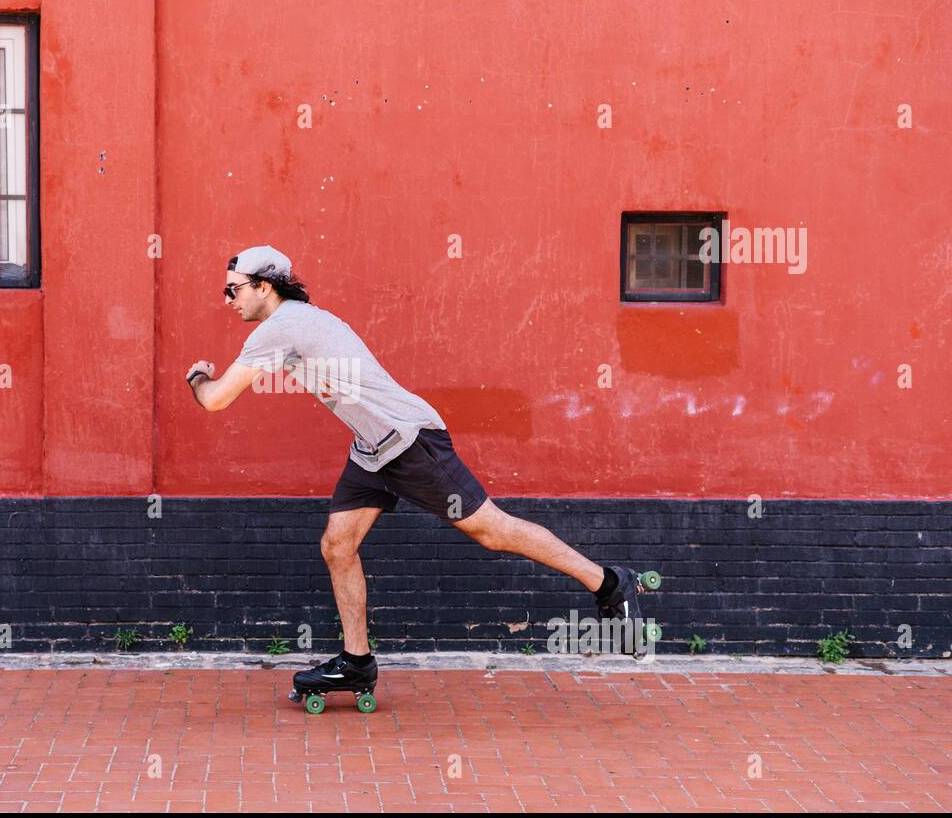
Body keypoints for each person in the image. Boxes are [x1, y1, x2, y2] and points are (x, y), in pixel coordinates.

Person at [186, 244, 654, 704]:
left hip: (408, 442)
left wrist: (198, 376)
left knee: (491, 530)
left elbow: (216, 400)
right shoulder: (299, 321)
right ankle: (356, 660)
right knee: (337, 544)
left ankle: (611, 583)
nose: (229, 301)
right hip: (372, 450)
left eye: (234, 290)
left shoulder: (282, 326)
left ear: (264, 286)